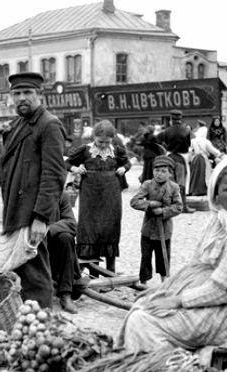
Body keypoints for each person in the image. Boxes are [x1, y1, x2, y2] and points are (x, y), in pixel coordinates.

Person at [118, 156, 227, 357]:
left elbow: (226, 289)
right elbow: (199, 263)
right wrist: (168, 289)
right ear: (216, 193)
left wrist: (178, 301)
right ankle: (158, 371)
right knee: (143, 305)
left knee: (144, 321)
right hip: (211, 299)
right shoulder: (224, 216)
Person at [0, 71, 67, 308]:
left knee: (34, 278)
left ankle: (41, 327)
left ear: (40, 95)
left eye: (27, 92)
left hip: (28, 215)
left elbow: (54, 175)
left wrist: (41, 217)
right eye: (16, 93)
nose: (21, 98)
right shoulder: (14, 125)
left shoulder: (49, 125)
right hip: (3, 213)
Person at [66, 120, 130, 274]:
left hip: (111, 194)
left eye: (107, 142)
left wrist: (123, 168)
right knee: (90, 227)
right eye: (100, 141)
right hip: (90, 194)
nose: (103, 145)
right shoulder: (85, 150)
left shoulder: (117, 150)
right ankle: (93, 270)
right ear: (94, 137)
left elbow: (127, 163)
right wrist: (76, 168)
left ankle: (110, 269)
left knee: (111, 226)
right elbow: (67, 163)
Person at [130, 155, 183, 287]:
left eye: (163, 171)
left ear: (170, 173)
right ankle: (144, 281)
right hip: (148, 229)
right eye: (156, 171)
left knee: (163, 257)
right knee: (146, 257)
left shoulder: (174, 187)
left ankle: (165, 280)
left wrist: (164, 211)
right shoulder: (147, 184)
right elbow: (134, 202)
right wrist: (149, 204)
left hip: (164, 230)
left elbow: (178, 207)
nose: (159, 174)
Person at [48, 194, 82, 314]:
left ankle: (65, 294)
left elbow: (72, 224)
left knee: (66, 238)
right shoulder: (28, 193)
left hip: (53, 250)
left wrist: (47, 230)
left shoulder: (60, 195)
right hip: (30, 246)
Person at [157, 110, 193, 212]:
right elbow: (188, 145)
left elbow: (157, 140)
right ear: (180, 119)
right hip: (181, 158)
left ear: (171, 119)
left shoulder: (166, 131)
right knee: (181, 184)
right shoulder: (186, 130)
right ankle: (183, 206)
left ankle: (170, 206)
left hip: (169, 158)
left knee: (169, 182)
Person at [188, 122, 222, 196]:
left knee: (194, 174)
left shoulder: (193, 141)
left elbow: (190, 151)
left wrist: (190, 159)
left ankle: (193, 189)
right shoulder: (206, 141)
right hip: (203, 159)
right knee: (204, 175)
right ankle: (202, 190)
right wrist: (220, 155)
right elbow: (213, 151)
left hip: (195, 158)